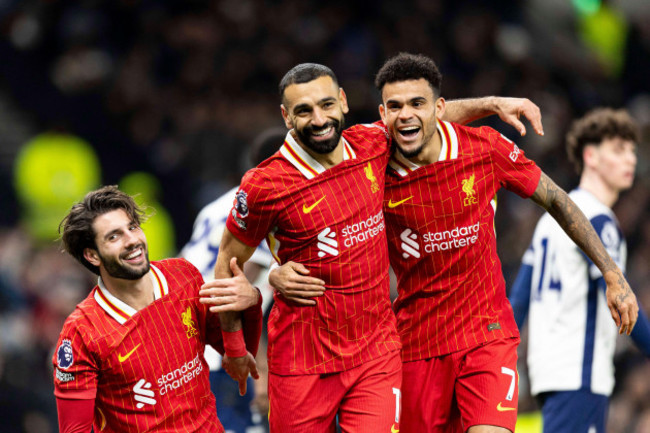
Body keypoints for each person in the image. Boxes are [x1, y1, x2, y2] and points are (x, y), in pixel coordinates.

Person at [269, 53, 638, 433]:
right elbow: (305, 216)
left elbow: (558, 199)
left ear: (439, 108)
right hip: (415, 345)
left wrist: (613, 273)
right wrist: (277, 269)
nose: (406, 114)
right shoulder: (371, 160)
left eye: (417, 104)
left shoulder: (484, 149)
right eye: (394, 106)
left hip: (486, 335)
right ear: (383, 114)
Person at [199, 61, 546, 433]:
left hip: (374, 356)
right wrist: (235, 348)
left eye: (326, 105)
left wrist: (493, 105)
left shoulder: (370, 145)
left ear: (343, 102)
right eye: (303, 111)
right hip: (303, 360)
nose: (318, 119)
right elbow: (228, 263)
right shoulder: (265, 184)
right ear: (286, 116)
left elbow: (425, 116)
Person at [52, 185, 263, 433]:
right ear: (92, 255)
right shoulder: (82, 332)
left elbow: (238, 349)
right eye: (114, 236)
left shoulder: (183, 276)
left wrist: (252, 301)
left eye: (132, 227)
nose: (132, 240)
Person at [509, 108, 650, 433]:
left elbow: (518, 299)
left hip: (546, 372)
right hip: (580, 374)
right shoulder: (600, 220)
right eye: (618, 150)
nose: (630, 159)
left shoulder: (549, 220)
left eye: (632, 150)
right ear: (591, 156)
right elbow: (621, 298)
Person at [181, 127, 285, 433]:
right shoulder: (268, 205)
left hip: (186, 347)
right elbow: (235, 295)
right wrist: (262, 368)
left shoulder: (217, 207)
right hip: (223, 353)